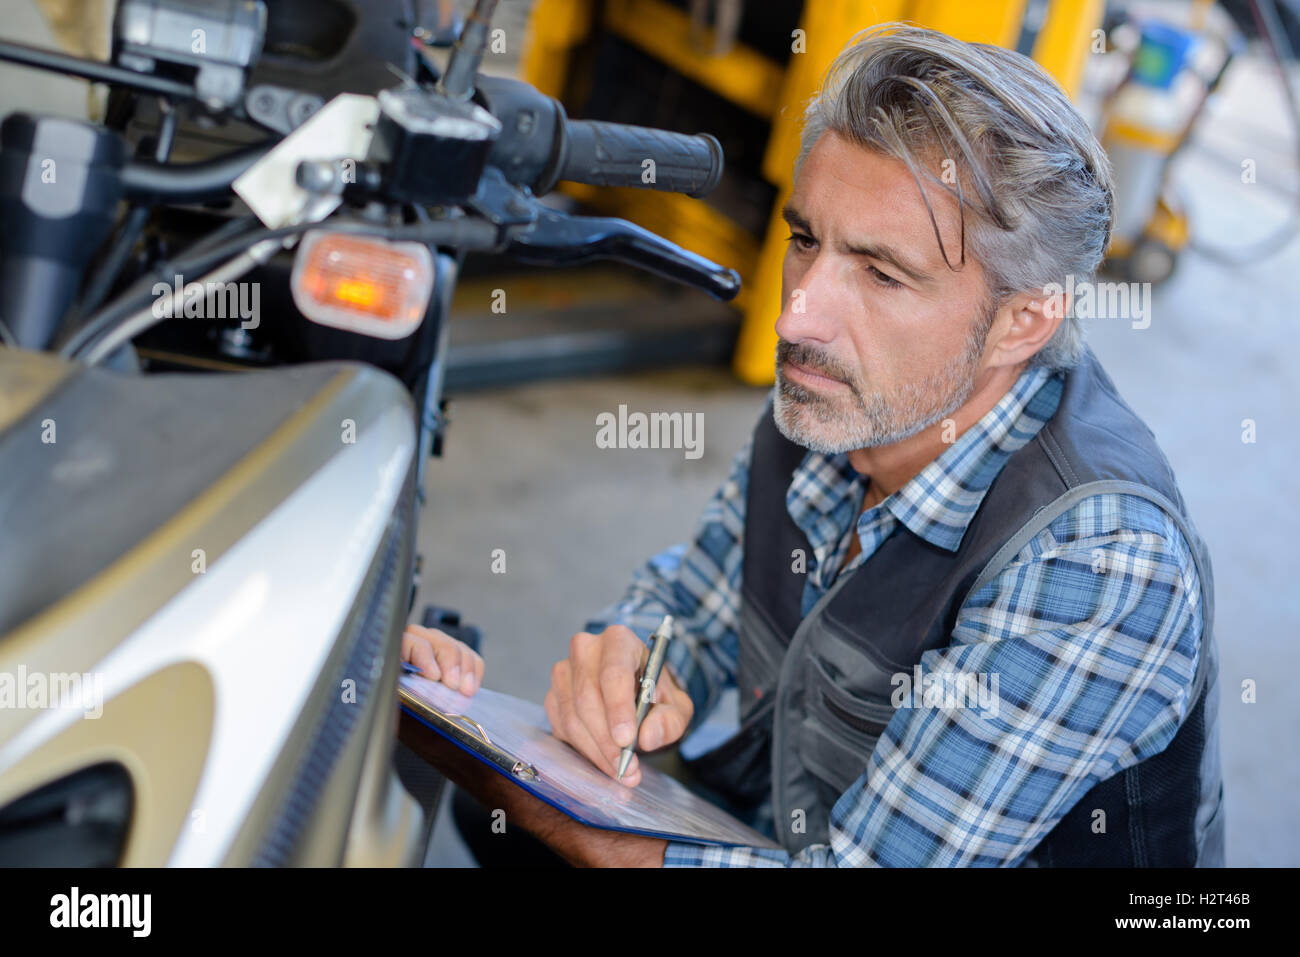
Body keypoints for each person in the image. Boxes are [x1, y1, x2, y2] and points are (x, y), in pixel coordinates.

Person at [403, 22, 1225, 868]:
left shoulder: (1098, 561)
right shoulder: (847, 404)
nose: (798, 318)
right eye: (806, 241)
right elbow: (696, 604)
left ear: (1025, 319)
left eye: (881, 272)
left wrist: (522, 788)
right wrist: (636, 657)